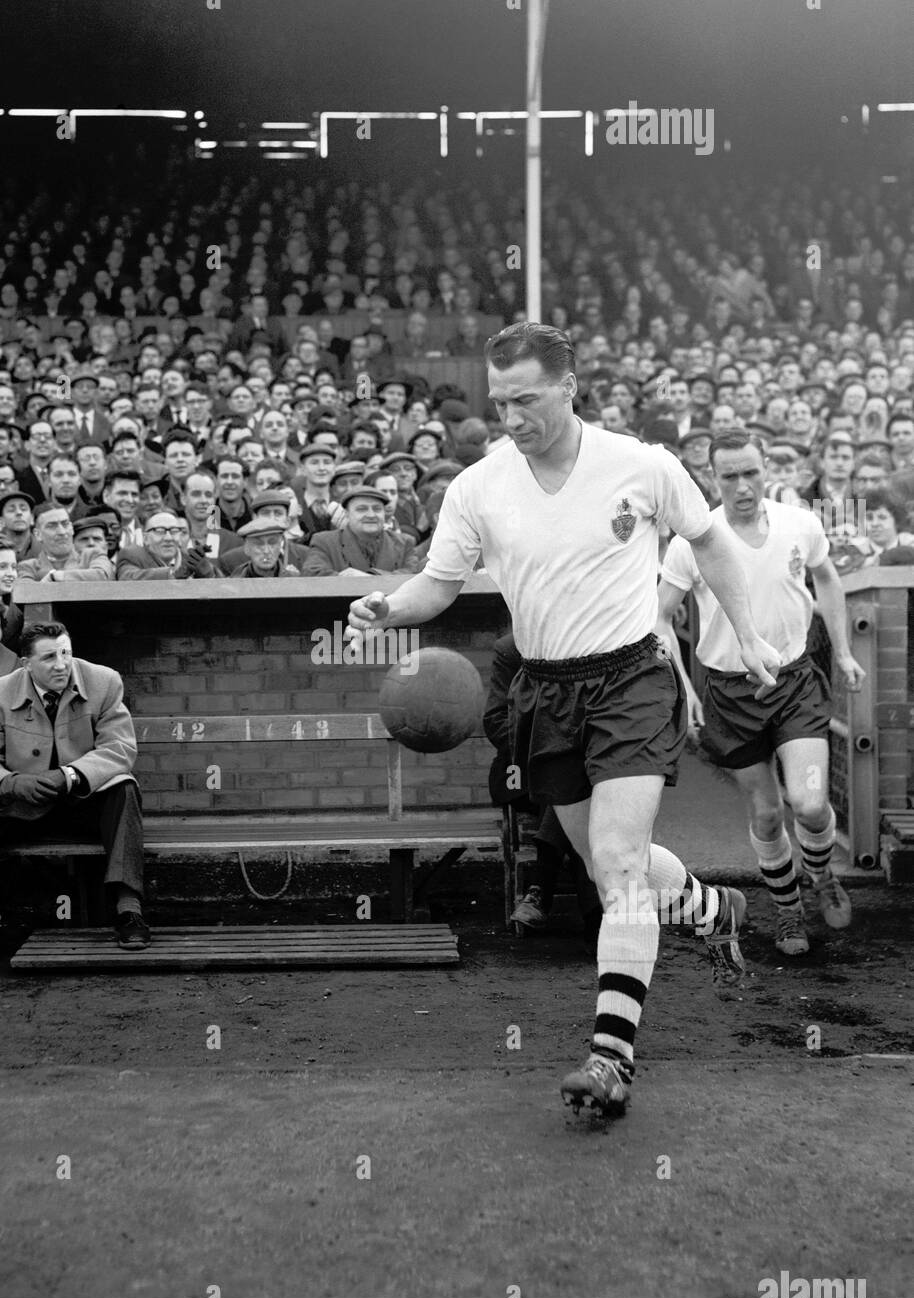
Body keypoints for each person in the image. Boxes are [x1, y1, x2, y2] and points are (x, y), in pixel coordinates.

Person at [348, 324, 781, 1119]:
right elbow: (438, 586)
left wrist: (747, 632)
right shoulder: (478, 486)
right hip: (545, 694)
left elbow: (712, 541)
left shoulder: (641, 466)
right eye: (499, 401)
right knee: (609, 867)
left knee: (617, 865)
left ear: (568, 387)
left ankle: (612, 1056)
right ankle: (717, 910)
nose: (511, 416)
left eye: (527, 399)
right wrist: (386, 606)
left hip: (631, 679)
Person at [657, 429, 864, 956]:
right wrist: (685, 690)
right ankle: (789, 910)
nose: (743, 485)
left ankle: (820, 874)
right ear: (711, 477)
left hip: (795, 683)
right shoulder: (691, 541)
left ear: (766, 466)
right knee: (768, 814)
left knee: (812, 803)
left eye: (751, 472)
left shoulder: (800, 523)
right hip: (729, 693)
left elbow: (830, 580)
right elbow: (658, 616)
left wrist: (841, 651)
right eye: (729, 476)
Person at [0, 621, 151, 964]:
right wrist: (9, 783)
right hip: (23, 807)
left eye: (66, 653)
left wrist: (71, 775)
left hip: (83, 802)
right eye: (49, 657)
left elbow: (119, 748)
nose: (61, 664)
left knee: (124, 788)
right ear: (26, 664)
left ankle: (128, 908)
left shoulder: (104, 681)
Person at [485, 631, 601, 942]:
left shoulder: (587, 646)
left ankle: (540, 889)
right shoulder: (511, 651)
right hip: (521, 774)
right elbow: (495, 721)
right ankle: (597, 926)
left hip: (581, 772)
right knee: (568, 785)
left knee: (570, 785)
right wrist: (546, 737)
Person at [302, 487, 416, 576]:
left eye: (377, 509)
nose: (371, 515)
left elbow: (414, 575)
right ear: (347, 514)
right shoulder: (325, 542)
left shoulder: (405, 542)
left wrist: (370, 577)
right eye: (362, 509)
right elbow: (313, 573)